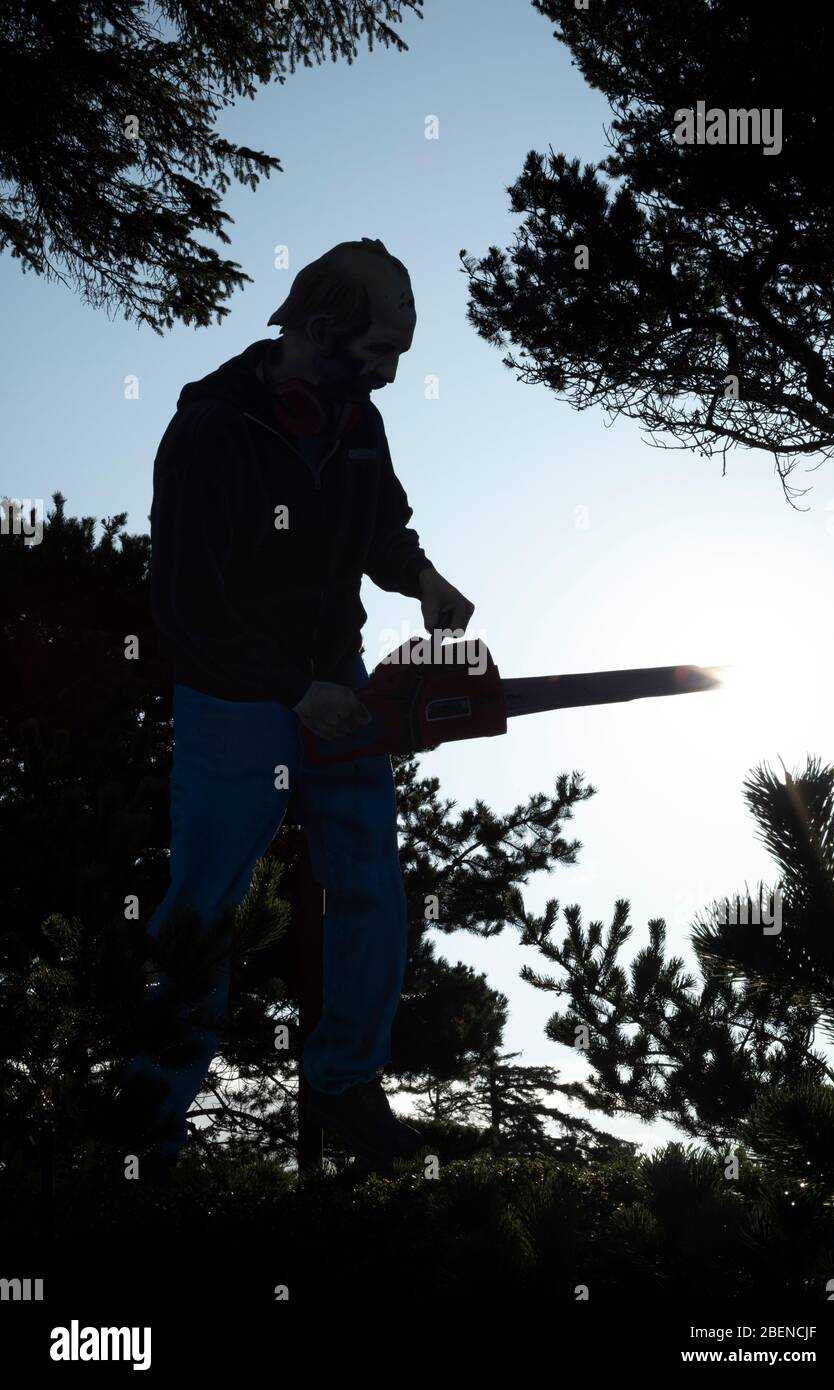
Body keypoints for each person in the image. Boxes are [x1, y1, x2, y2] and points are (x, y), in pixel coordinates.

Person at [113, 238, 474, 1184]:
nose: (392, 373)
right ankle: (147, 1130)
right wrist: (288, 688)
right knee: (204, 907)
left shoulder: (359, 419)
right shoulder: (210, 429)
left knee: (369, 883)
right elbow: (187, 599)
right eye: (380, 350)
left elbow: (382, 527)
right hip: (233, 699)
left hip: (339, 685)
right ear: (319, 331)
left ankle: (348, 1085)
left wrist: (421, 578)